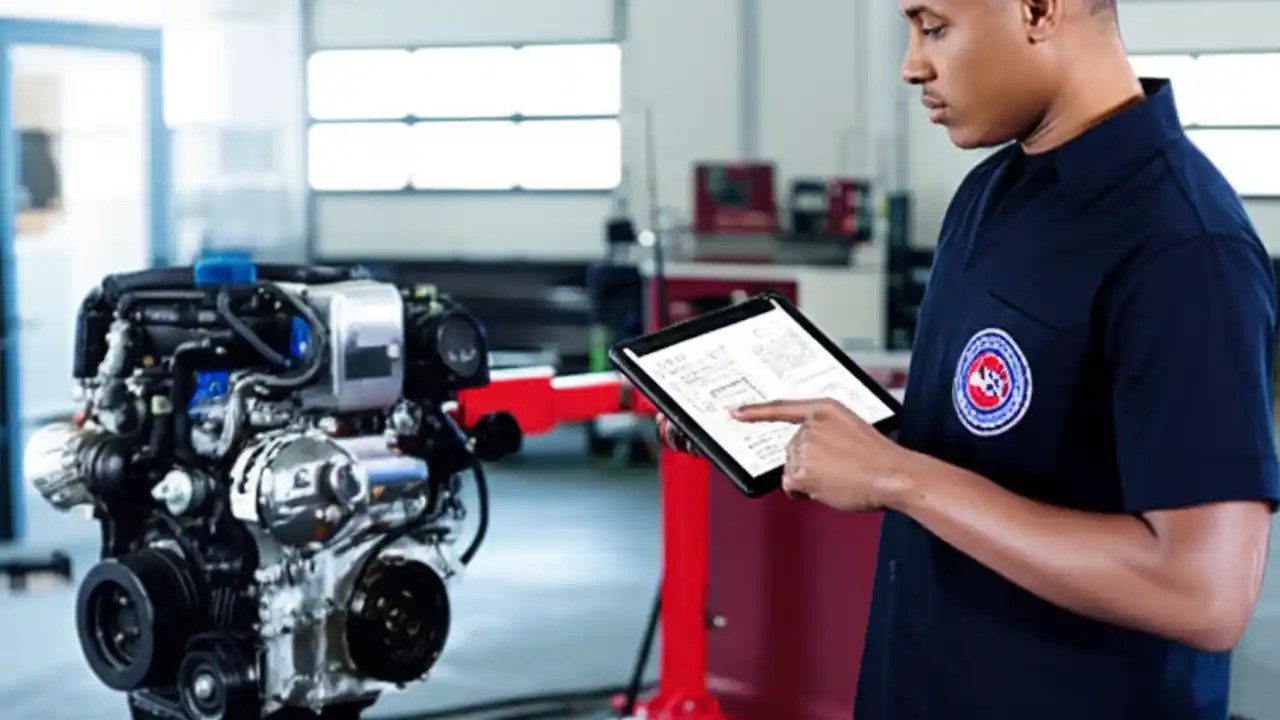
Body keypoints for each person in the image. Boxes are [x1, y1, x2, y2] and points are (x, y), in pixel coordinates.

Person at [659, 0, 1279, 717]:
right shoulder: (992, 191)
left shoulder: (1184, 249)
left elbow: (1203, 591)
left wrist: (896, 476)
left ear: (1039, 10)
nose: (911, 64)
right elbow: (984, 445)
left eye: (934, 27)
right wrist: (790, 430)